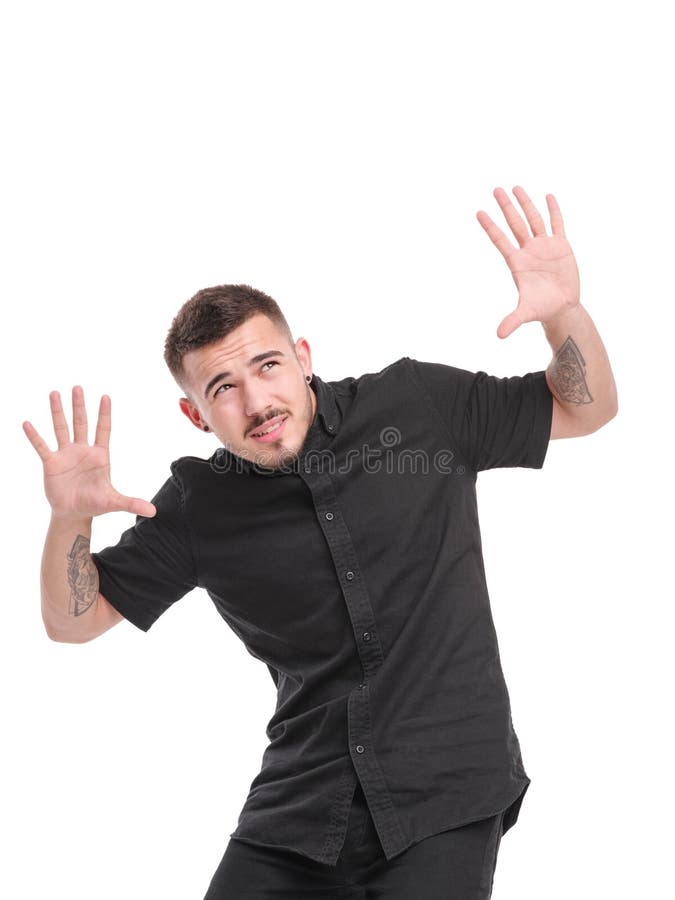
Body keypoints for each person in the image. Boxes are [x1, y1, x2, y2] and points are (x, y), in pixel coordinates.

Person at [24, 186, 618, 899]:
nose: (256, 403)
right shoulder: (196, 505)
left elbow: (584, 410)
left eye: (267, 366)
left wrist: (561, 314)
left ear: (302, 356)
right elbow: (73, 622)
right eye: (222, 387)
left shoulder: (416, 409)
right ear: (194, 413)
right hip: (298, 814)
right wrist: (70, 520)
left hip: (446, 793)